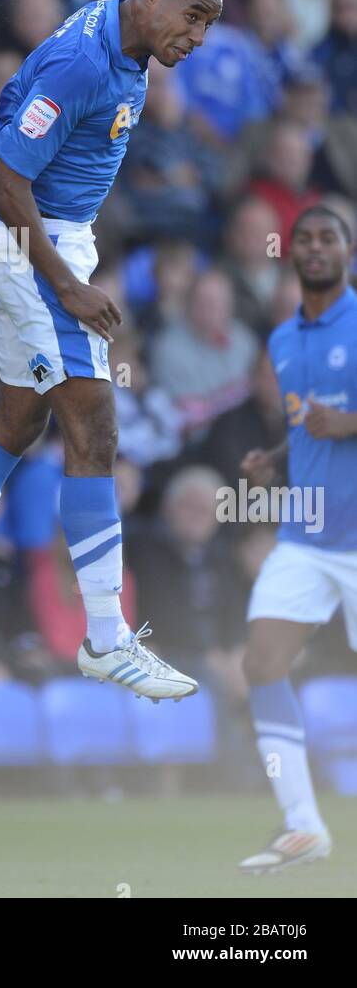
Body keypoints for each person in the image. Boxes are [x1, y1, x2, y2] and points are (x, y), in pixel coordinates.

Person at [0, 0, 223, 701]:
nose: (196, 38)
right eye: (192, 18)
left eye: (208, 27)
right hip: (32, 244)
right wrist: (65, 283)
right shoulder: (83, 62)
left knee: (15, 421)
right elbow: (4, 177)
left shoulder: (120, 40)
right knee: (94, 427)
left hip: (53, 238)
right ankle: (105, 637)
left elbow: (16, 114)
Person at [238, 205, 357, 872]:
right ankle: (303, 826)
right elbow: (309, 419)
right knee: (260, 663)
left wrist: (349, 424)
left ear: (347, 249)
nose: (313, 248)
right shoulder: (282, 339)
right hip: (306, 535)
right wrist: (274, 459)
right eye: (304, 238)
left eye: (327, 238)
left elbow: (337, 420)